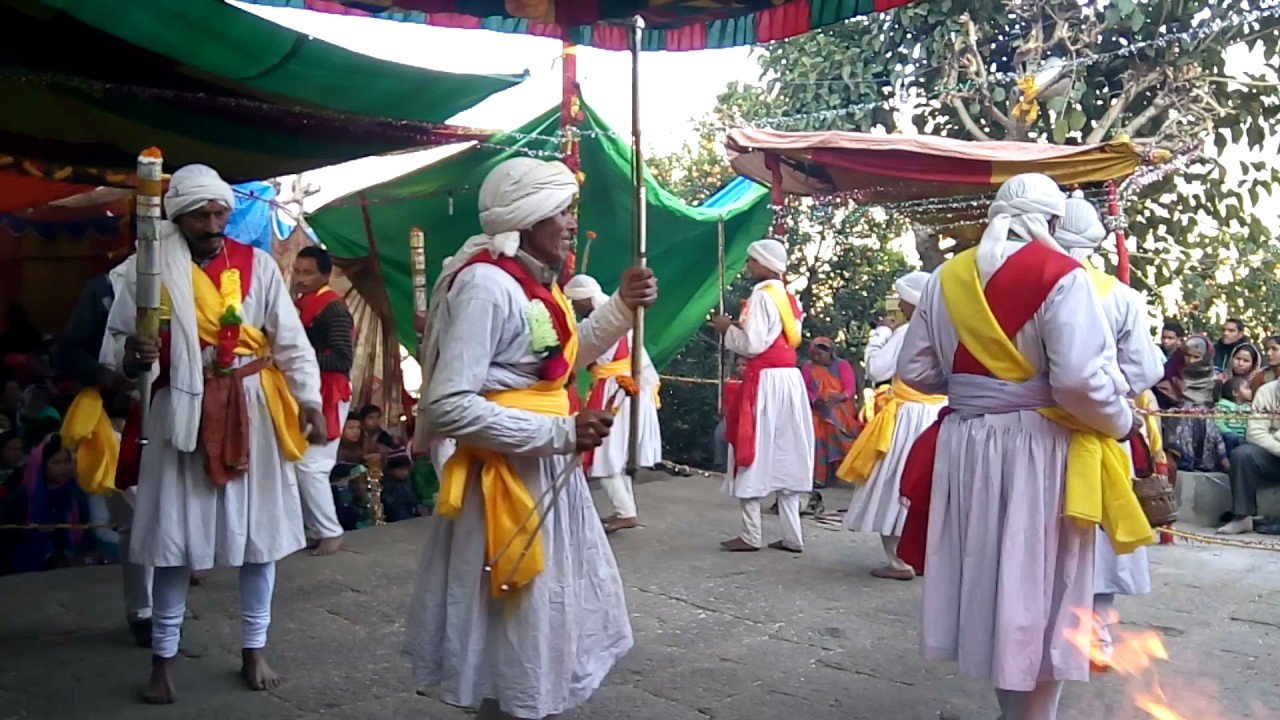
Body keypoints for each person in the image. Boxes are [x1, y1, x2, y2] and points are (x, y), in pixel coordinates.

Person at [404, 157, 656, 720]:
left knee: (536, 620)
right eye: (561, 212)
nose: (570, 223)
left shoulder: (539, 284)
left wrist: (620, 307)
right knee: (512, 617)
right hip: (506, 480)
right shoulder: (486, 287)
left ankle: (522, 706)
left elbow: (558, 364)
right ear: (529, 217)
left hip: (544, 472)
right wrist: (558, 431)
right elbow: (447, 405)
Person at [895, 173, 1150, 720]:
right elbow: (1080, 383)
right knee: (1042, 581)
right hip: (1040, 449)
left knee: (988, 570)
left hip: (966, 445)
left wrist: (980, 394)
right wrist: (1123, 423)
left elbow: (913, 369)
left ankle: (1014, 708)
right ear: (1052, 222)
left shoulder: (945, 277)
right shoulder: (1065, 276)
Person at [101, 164, 327, 704]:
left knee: (260, 539)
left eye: (219, 212)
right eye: (201, 214)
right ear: (177, 217)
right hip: (179, 408)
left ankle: (254, 648)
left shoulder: (259, 266)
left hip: (251, 405)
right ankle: (163, 660)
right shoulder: (144, 271)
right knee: (174, 542)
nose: (212, 222)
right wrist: (135, 355)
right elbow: (113, 353)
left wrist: (310, 400)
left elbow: (290, 340)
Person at [1054, 193, 1165, 666]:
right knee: (1100, 535)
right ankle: (1096, 637)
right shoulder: (1119, 295)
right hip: (1103, 428)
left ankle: (1051, 636)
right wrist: (1114, 393)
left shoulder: (1027, 283)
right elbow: (1144, 368)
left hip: (1041, 434)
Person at [57, 261, 154, 646]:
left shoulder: (200, 284)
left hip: (176, 414)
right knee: (135, 517)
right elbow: (70, 352)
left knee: (168, 513)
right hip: (117, 418)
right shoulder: (105, 289)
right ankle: (143, 612)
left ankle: (165, 603)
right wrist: (108, 378)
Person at [710, 239, 814, 554]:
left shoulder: (761, 296)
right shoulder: (788, 298)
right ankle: (793, 536)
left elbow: (752, 344)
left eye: (753, 260)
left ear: (765, 263)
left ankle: (751, 534)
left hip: (764, 383)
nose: (749, 265)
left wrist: (727, 328)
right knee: (786, 452)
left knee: (753, 447)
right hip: (789, 382)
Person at [838, 270, 944, 581]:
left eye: (901, 299)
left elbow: (877, 369)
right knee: (928, 485)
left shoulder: (908, 331)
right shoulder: (949, 329)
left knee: (894, 481)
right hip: (937, 413)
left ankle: (900, 561)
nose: (898, 304)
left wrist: (881, 334)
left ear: (912, 303)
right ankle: (923, 555)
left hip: (908, 415)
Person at [564, 273, 662, 534]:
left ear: (585, 300)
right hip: (627, 387)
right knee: (615, 455)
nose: (575, 307)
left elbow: (587, 356)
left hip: (614, 389)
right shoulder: (614, 313)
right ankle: (626, 509)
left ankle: (625, 512)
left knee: (603, 454)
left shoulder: (607, 321)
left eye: (576, 303)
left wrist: (574, 333)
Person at [292, 245, 354, 557]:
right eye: (297, 271)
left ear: (325, 275)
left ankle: (330, 531)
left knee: (312, 466)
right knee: (300, 464)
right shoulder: (303, 303)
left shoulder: (333, 308)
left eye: (307, 273)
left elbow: (343, 359)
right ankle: (316, 529)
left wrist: (299, 360)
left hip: (330, 392)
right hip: (312, 391)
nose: (300, 278)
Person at [1219, 377, 1280, 535]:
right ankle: (1242, 517)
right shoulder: (1267, 391)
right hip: (1274, 453)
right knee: (1243, 454)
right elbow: (1255, 433)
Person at [800, 337, 858, 501]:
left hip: (841, 406)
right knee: (815, 429)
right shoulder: (808, 367)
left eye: (821, 353)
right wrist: (815, 400)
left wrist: (839, 397)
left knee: (834, 420)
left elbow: (849, 389)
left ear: (830, 353)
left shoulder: (841, 365)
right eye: (814, 354)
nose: (817, 357)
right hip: (817, 408)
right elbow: (805, 389)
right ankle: (819, 476)